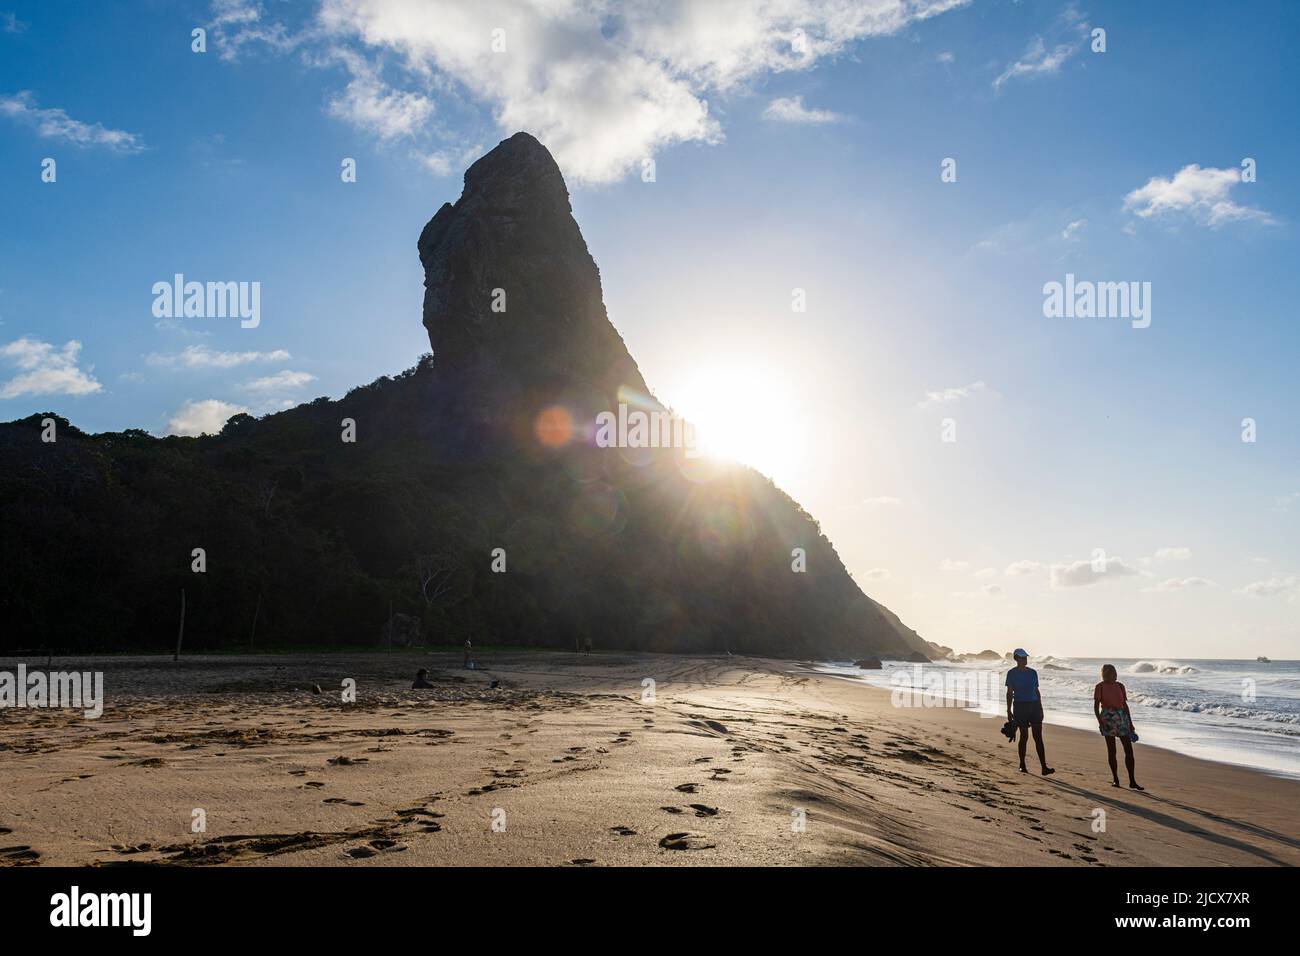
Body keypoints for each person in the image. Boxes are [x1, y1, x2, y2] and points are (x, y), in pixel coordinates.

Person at [1005, 648, 1055, 776]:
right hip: (1020, 707)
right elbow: (1010, 692)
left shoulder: (1033, 673)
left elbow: (1037, 691)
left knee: (1038, 737)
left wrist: (1041, 707)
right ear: (1016, 659)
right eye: (1022, 657)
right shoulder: (1011, 673)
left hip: (1034, 707)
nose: (1024, 659)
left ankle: (1044, 767)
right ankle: (1022, 764)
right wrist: (1008, 710)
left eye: (1025, 657)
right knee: (1024, 736)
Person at [1094, 664, 1143, 790]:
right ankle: (1116, 779)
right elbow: (1096, 706)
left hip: (1121, 718)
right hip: (1107, 718)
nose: (1114, 675)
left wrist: (1130, 724)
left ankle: (1132, 781)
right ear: (1105, 674)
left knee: (1129, 750)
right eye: (1111, 673)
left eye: (1115, 673)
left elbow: (1125, 705)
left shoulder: (1120, 686)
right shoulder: (1099, 687)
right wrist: (1100, 722)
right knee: (1112, 751)